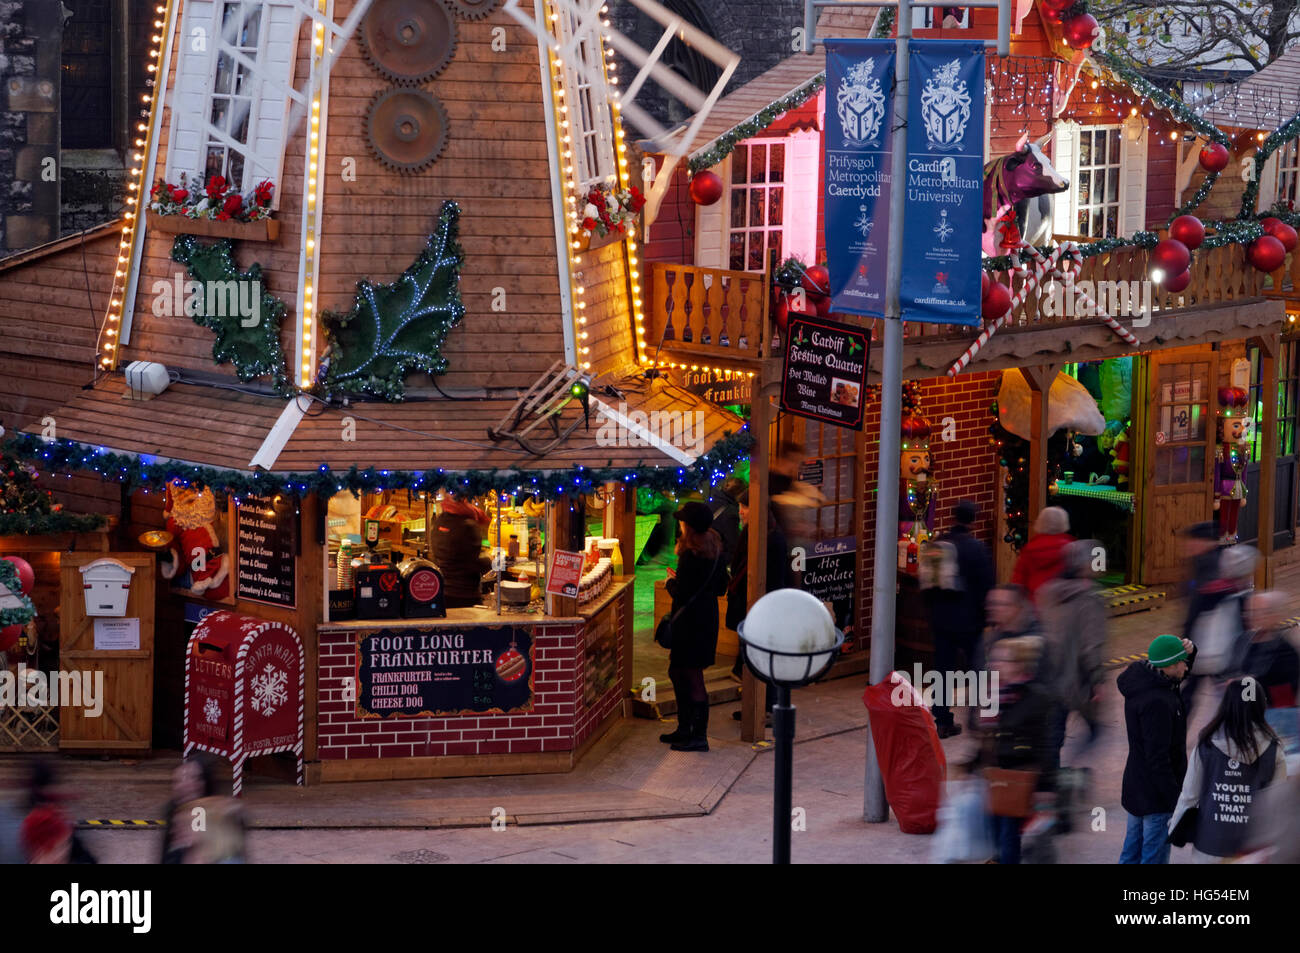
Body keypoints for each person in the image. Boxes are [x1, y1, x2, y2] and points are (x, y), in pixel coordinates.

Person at [1169, 677, 1287, 862]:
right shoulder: (1273, 749)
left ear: (1226, 705)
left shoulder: (1206, 743)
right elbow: (1279, 803)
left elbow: (1189, 794)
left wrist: (1174, 828)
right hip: (1251, 850)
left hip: (1209, 844)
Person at [1118, 633, 1196, 864]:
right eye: (1183, 661)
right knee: (1153, 857)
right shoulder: (1158, 702)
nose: (1186, 666)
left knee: (1131, 853)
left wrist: (1192, 652)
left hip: (1137, 785)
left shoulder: (1147, 680)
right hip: (1156, 796)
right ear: (1170, 665)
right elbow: (1158, 758)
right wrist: (1175, 800)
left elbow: (1181, 673)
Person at [922, 500, 995, 738]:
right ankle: (979, 717)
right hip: (969, 620)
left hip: (941, 619)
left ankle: (942, 720)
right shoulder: (976, 548)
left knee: (943, 669)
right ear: (972, 520)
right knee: (977, 669)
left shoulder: (939, 544)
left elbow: (928, 585)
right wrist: (988, 617)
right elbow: (987, 584)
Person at [660, 501, 728, 752]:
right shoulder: (716, 549)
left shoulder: (690, 554)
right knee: (679, 672)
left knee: (691, 676)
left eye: (682, 521)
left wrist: (670, 583)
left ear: (688, 526)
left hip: (689, 623)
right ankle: (685, 728)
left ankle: (698, 736)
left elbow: (681, 591)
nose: (679, 524)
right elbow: (722, 587)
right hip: (706, 619)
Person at [980, 636, 1054, 864]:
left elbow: (1044, 745)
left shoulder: (1036, 698)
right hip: (995, 775)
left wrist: (1044, 786)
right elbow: (985, 735)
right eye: (995, 659)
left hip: (1019, 777)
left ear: (1019, 665)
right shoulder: (993, 693)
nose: (996, 664)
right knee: (994, 833)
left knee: (1009, 836)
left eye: (1004, 660)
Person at [1038, 540, 1108, 770]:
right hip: (1078, 679)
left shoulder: (1049, 591)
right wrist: (1097, 679)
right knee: (1096, 729)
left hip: (1049, 675)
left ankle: (1052, 778)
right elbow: (1092, 643)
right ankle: (1071, 774)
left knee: (1054, 733)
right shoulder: (1090, 598)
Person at [727, 487, 789, 681]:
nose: (740, 511)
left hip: (761, 597)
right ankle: (743, 672)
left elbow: (774, 574)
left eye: (745, 506)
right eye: (740, 506)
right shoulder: (750, 531)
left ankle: (753, 685)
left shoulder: (771, 537)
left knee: (754, 640)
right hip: (748, 595)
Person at [433, 494, 492, 608]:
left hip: (442, 592)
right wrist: (491, 561)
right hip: (465, 596)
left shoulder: (440, 520)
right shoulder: (468, 525)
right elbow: (470, 564)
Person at [1011, 507, 1075, 604]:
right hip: (1064, 606)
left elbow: (1018, 583)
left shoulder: (1029, 550)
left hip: (1035, 607)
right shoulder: (1071, 549)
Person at [710, 476, 746, 569]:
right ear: (740, 494)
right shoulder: (731, 513)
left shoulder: (711, 501)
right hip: (714, 561)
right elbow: (733, 547)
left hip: (703, 554)